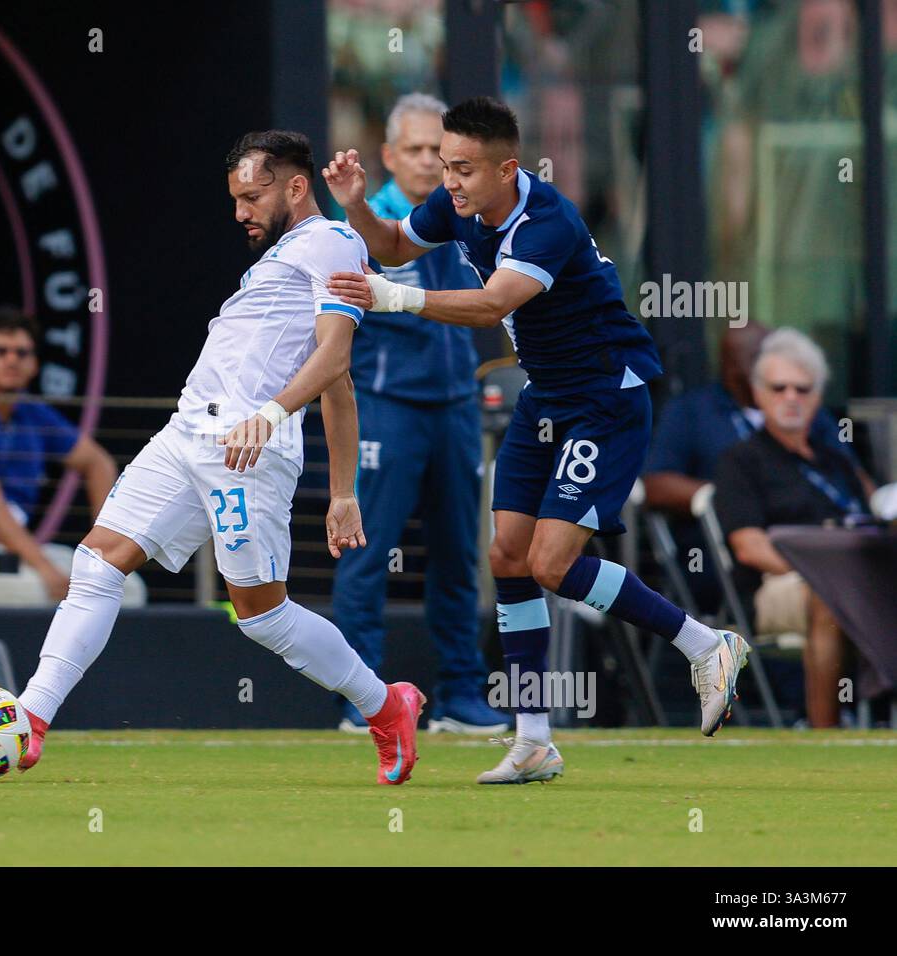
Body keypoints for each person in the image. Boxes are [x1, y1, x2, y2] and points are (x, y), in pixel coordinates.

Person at [324, 96, 747, 784]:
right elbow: (394, 246)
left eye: (461, 167)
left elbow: (492, 303)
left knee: (551, 563)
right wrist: (357, 208)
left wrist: (391, 297)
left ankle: (706, 644)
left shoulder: (545, 220)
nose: (447, 179)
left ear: (507, 170)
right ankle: (533, 740)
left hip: (606, 396)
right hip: (546, 396)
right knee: (508, 554)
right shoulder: (456, 205)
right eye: (442, 164)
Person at [17, 130, 425, 785]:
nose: (241, 211)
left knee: (261, 615)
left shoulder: (332, 241)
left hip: (248, 451)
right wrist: (343, 489)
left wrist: (278, 425)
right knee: (97, 561)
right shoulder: (280, 259)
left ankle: (386, 706)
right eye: (235, 198)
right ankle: (29, 720)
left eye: (252, 195)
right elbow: (338, 386)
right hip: (188, 433)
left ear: (295, 186)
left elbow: (336, 359)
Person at [331, 93, 508, 735]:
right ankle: (363, 700)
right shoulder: (364, 224)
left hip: (456, 405)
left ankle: (461, 695)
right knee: (365, 554)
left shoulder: (470, 217)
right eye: (415, 150)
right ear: (387, 156)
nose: (431, 165)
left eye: (441, 153)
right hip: (386, 408)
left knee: (461, 555)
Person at [714, 329, 874, 728]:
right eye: (779, 387)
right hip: (778, 585)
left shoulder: (836, 461)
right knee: (828, 593)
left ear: (817, 397)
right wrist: (822, 570)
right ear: (758, 393)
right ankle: (826, 731)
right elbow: (749, 547)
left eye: (803, 389)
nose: (791, 397)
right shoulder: (740, 461)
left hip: (855, 578)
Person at [642, 321, 862, 611]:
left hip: (832, 550)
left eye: (802, 388)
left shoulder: (807, 412)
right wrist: (736, 496)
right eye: (766, 359)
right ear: (734, 370)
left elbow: (854, 477)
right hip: (734, 558)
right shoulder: (692, 412)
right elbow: (654, 484)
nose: (791, 394)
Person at [0, 306, 118, 602]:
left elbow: (99, 463)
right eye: (0, 351)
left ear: (34, 365)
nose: (12, 360)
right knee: (47, 589)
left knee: (114, 583)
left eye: (22, 353)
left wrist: (104, 546)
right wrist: (45, 569)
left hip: (8, 551)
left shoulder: (32, 411)